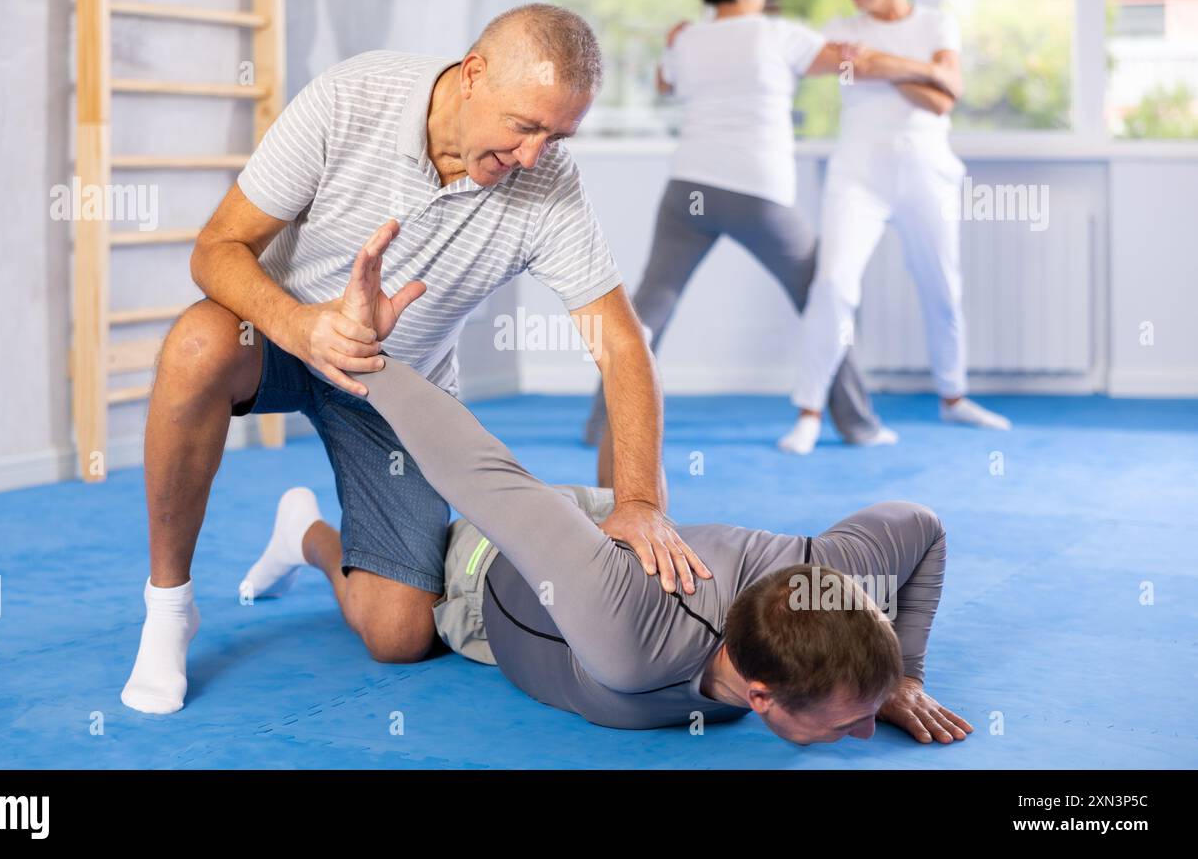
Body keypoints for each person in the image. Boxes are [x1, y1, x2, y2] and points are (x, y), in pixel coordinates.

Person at [121, 4, 712, 716]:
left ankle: (304, 535)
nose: (533, 156)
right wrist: (303, 327)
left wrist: (640, 503)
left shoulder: (549, 183)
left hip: (391, 389)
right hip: (281, 336)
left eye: (556, 136)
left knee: (399, 634)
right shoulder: (353, 97)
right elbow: (215, 248)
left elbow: (621, 343)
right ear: (472, 75)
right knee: (198, 343)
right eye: (524, 126)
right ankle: (169, 608)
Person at [244, 221, 974, 744]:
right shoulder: (632, 641)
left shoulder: (825, 577)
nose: (860, 733)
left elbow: (922, 527)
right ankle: (305, 534)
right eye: (849, 721)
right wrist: (364, 354)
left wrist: (903, 674)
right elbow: (483, 476)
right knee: (395, 635)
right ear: (761, 697)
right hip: (492, 570)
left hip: (615, 536)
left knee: (622, 520)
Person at [582, 0, 964, 479]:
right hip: (754, 193)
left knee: (648, 311)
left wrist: (677, 46)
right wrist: (930, 68)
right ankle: (857, 423)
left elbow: (664, 83)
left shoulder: (687, 38)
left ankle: (601, 424)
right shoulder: (777, 34)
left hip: (687, 188)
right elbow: (860, 61)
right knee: (822, 296)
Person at [782, 0, 1012, 456]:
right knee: (835, 284)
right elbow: (861, 69)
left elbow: (943, 100)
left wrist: (880, 64)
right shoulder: (840, 27)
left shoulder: (936, 21)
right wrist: (924, 68)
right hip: (857, 171)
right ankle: (810, 411)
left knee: (941, 286)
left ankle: (953, 398)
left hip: (926, 169)